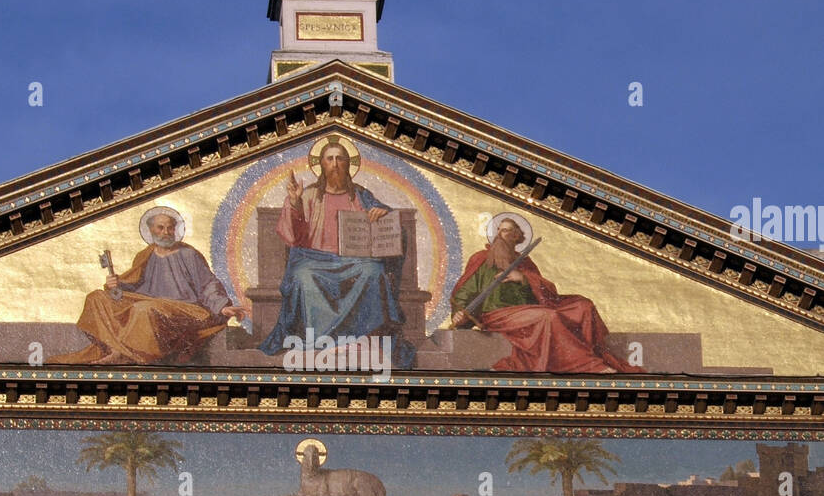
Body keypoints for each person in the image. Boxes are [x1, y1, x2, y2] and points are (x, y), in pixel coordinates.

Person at [259, 140, 416, 369]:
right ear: (321, 164)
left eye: (340, 158)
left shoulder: (362, 195)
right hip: (316, 260)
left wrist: (382, 213)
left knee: (374, 271)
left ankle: (364, 338)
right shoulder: (309, 195)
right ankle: (320, 341)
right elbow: (294, 238)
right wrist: (294, 203)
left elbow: (392, 224)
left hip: (355, 261)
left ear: (348, 164)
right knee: (302, 275)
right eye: (329, 158)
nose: (335, 164)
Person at [450, 215, 642, 374]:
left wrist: (524, 279)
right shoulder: (482, 259)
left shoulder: (525, 263)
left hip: (528, 311)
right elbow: (465, 294)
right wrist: (460, 316)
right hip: (498, 315)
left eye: (507, 230)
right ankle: (586, 365)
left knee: (583, 306)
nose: (501, 234)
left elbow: (545, 294)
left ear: (517, 237)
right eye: (499, 230)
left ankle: (594, 354)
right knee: (548, 317)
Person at [52, 207, 244, 365]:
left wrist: (222, 306)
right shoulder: (145, 255)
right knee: (96, 298)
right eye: (160, 228)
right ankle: (114, 349)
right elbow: (134, 287)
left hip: (185, 309)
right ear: (151, 231)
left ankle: (124, 355)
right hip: (148, 302)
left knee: (143, 309)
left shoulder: (188, 255)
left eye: (170, 228)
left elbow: (208, 283)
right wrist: (115, 285)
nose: (166, 232)